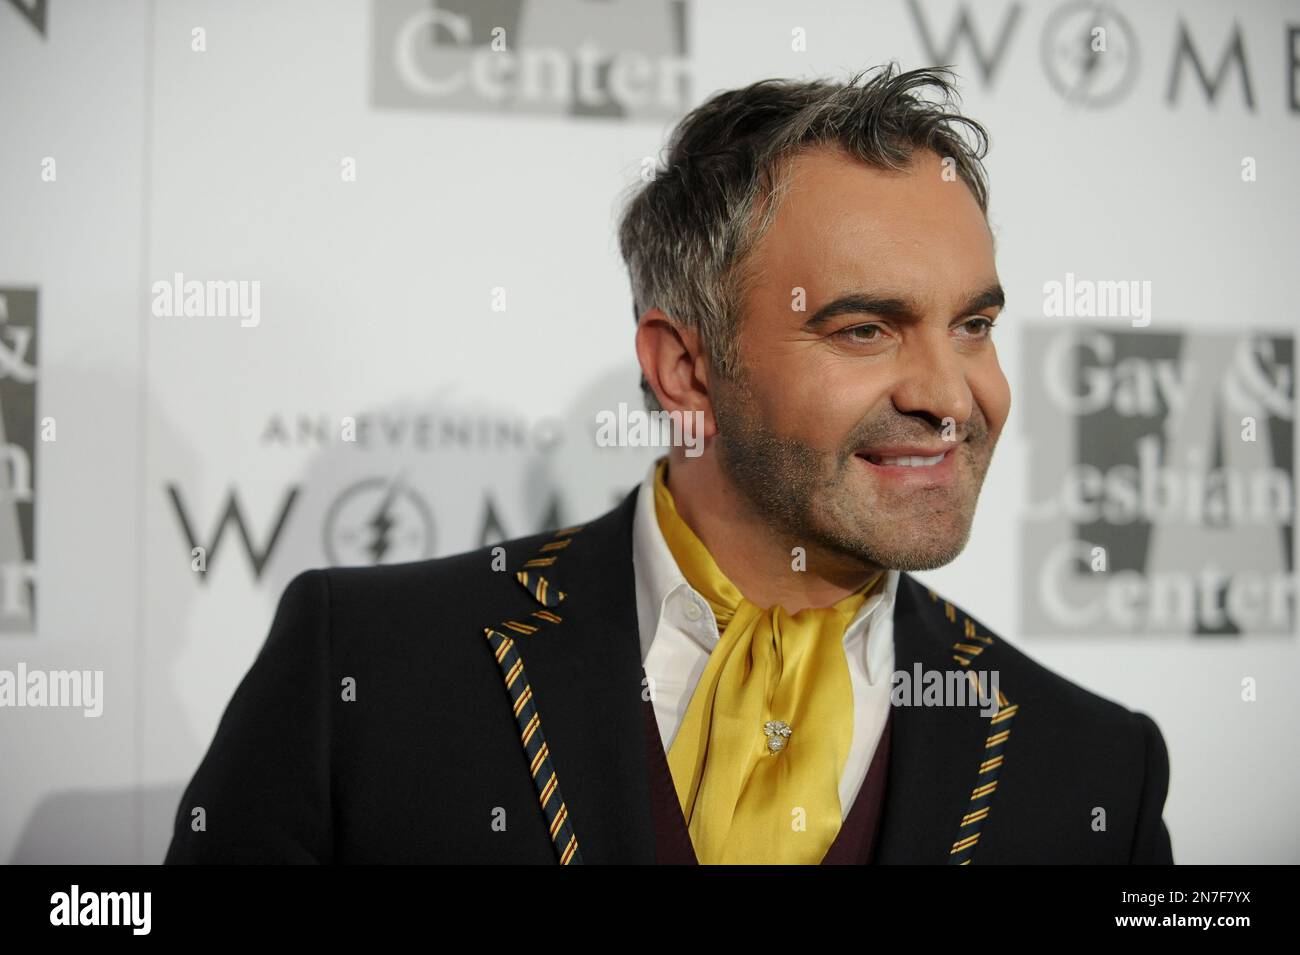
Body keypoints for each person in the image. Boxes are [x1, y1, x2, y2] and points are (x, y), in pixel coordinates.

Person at [166, 64, 1174, 865]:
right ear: (685, 368)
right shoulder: (366, 672)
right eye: (866, 328)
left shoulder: (1091, 766)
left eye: (973, 324)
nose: (952, 395)